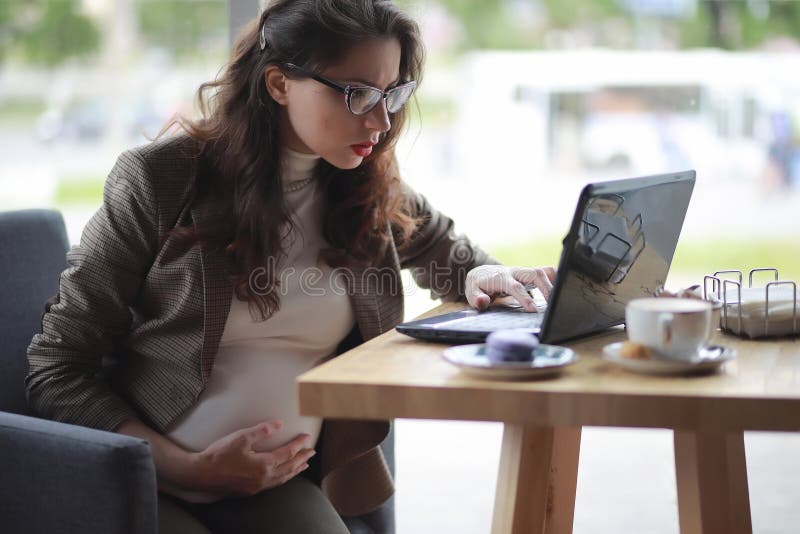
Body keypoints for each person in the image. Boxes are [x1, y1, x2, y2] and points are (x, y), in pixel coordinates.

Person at [26, 1, 555, 532]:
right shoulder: (161, 179)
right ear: (279, 84)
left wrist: (485, 277)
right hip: (149, 476)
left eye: (393, 93)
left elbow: (452, 258)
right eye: (357, 93)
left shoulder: (364, 182)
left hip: (279, 483)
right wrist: (185, 466)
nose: (381, 119)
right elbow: (57, 367)